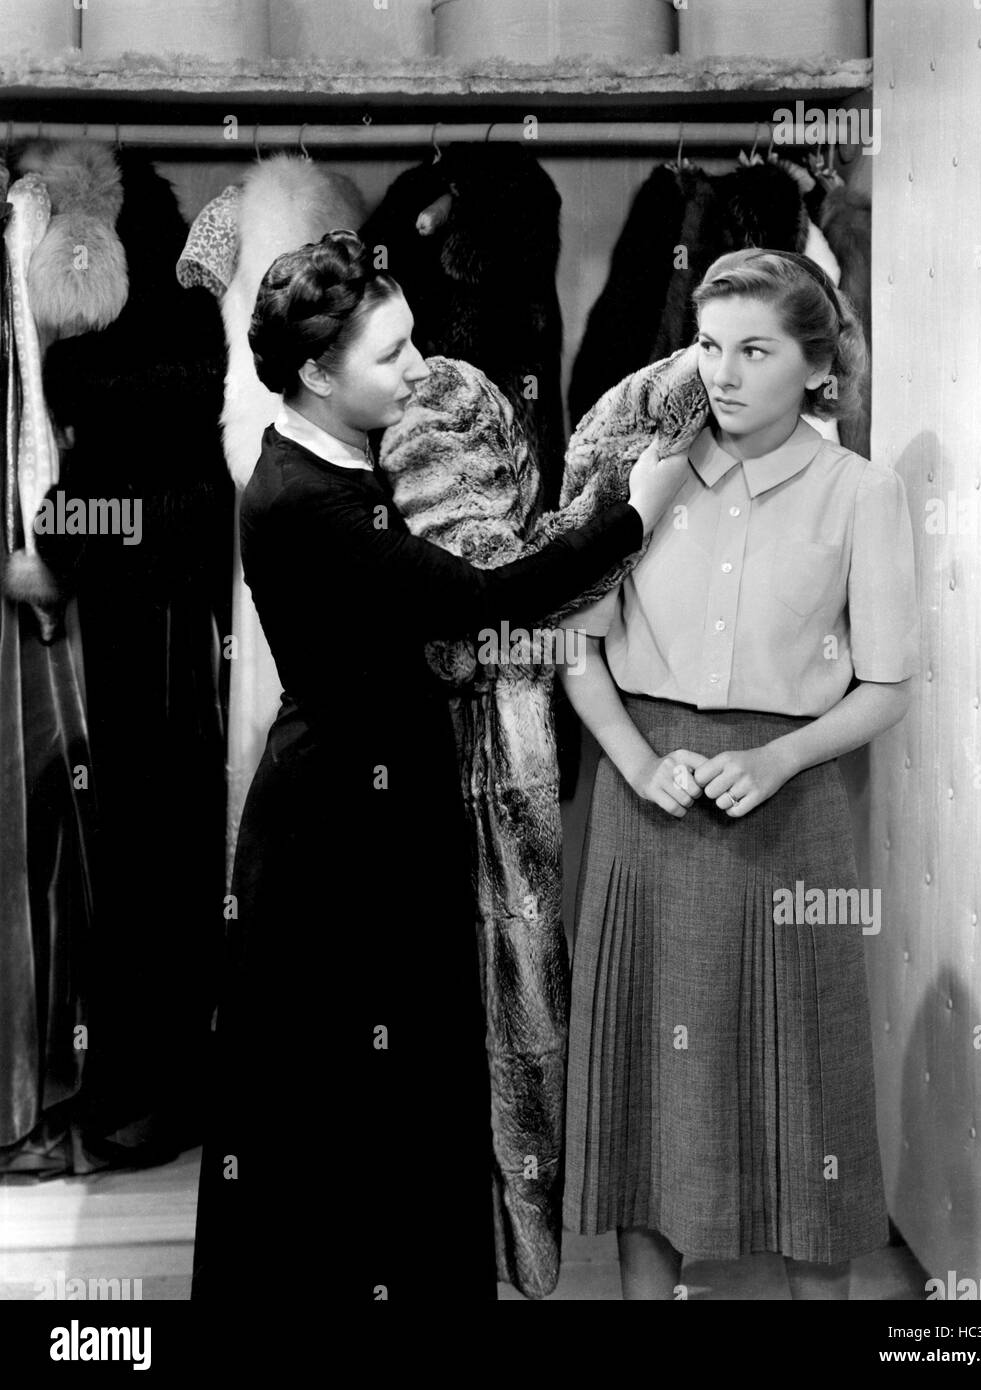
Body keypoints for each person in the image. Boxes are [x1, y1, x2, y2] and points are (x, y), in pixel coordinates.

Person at [189, 230, 690, 1307]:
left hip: (384, 808)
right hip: (336, 837)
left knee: (399, 1088)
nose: (421, 370)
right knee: (344, 1097)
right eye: (391, 355)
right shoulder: (299, 498)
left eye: (413, 338)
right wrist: (628, 516)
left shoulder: (341, 458)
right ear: (317, 375)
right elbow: (469, 597)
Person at [558, 248, 920, 1301]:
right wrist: (635, 763)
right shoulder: (644, 475)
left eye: (753, 349)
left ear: (815, 368)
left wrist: (776, 757)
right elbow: (571, 650)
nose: (720, 371)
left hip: (788, 811)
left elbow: (885, 684)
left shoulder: (863, 493)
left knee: (805, 1088)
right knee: (647, 1093)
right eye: (709, 345)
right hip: (644, 814)